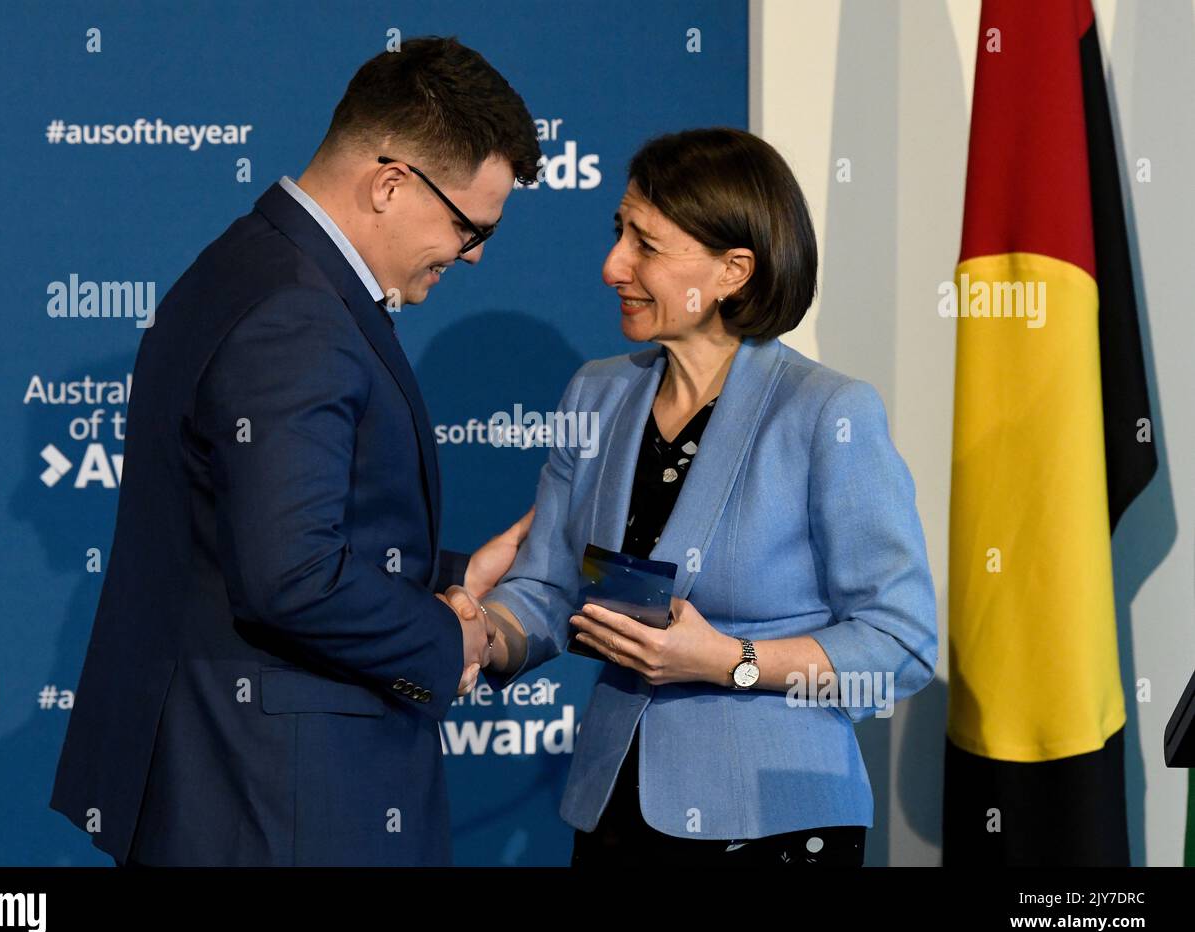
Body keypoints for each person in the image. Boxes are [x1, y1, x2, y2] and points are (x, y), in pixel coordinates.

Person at [50, 36, 539, 866]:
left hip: (242, 782)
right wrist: (445, 637)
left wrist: (455, 577)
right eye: (469, 226)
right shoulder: (299, 314)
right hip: (282, 801)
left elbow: (265, 529)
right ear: (391, 184)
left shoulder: (248, 266)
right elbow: (292, 576)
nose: (475, 253)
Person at [448, 127, 938, 867]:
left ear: (734, 270)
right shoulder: (598, 391)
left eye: (646, 243)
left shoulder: (827, 413)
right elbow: (548, 585)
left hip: (775, 823)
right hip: (613, 813)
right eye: (619, 232)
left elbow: (899, 647)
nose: (614, 265)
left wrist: (730, 660)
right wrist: (483, 632)